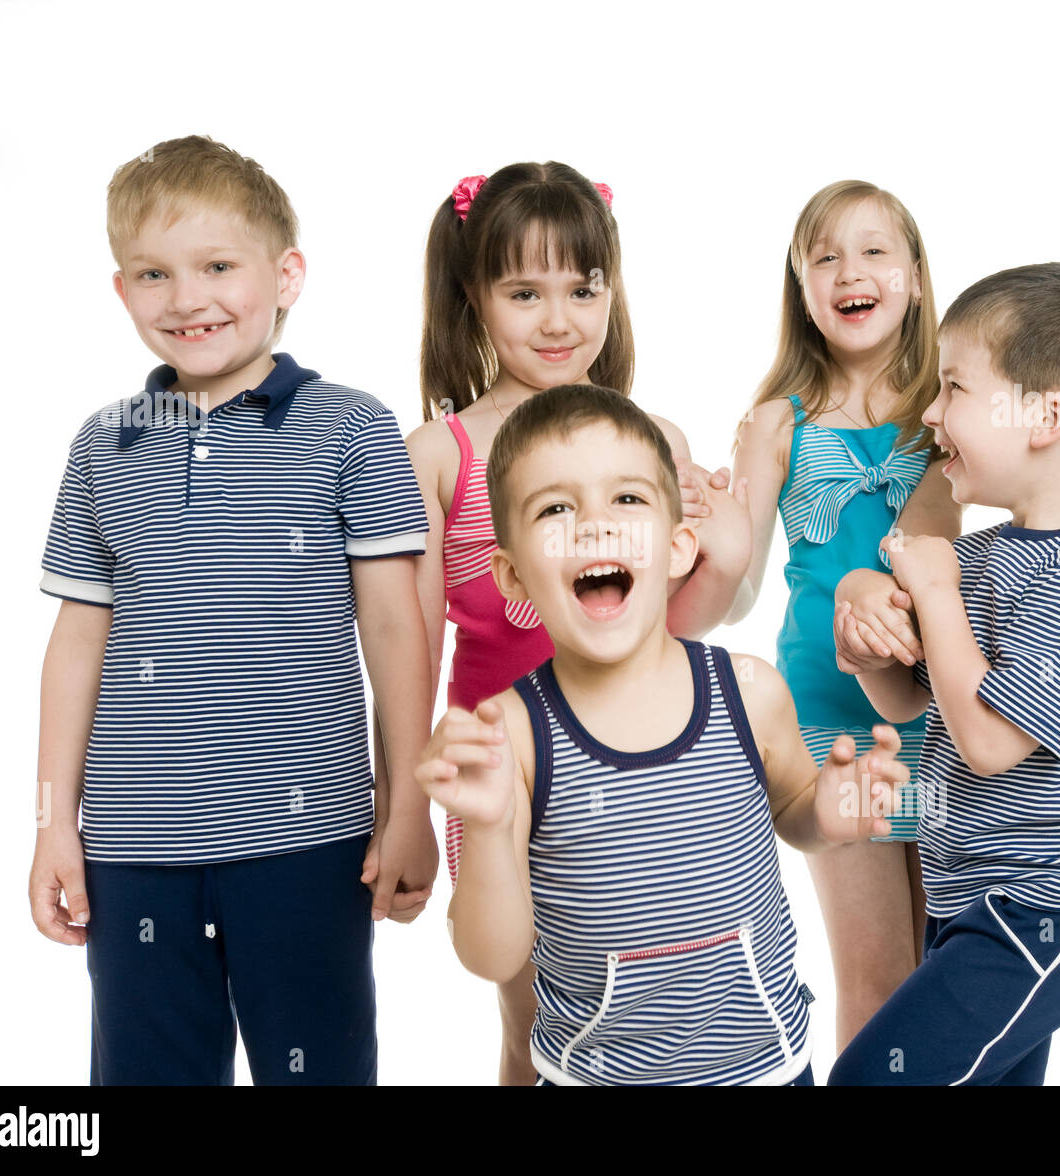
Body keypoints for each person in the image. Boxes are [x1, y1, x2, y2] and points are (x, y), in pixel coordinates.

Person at [29, 134, 436, 1084]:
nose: (186, 297)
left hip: (307, 841)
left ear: (286, 275)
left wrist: (406, 800)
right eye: (153, 273)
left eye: (218, 266)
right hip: (133, 847)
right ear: (121, 289)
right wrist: (54, 823)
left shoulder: (350, 426)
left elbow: (394, 632)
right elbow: (76, 641)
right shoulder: (105, 443)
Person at [418, 383, 909, 1085]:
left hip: (765, 1069)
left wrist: (830, 812)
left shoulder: (748, 690)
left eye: (626, 500)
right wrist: (488, 827)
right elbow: (492, 957)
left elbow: (797, 808)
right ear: (513, 575)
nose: (594, 526)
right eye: (556, 508)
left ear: (680, 545)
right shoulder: (513, 737)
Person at [398, 162, 746, 1084]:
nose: (559, 320)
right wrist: (407, 810)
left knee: (637, 1018)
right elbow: (408, 651)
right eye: (525, 291)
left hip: (645, 776)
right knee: (533, 1025)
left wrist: (735, 555)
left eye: (583, 289)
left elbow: (687, 623)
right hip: (509, 777)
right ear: (474, 296)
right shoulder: (440, 455)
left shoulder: (651, 441)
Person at [829, 262, 1060, 1085]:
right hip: (967, 899)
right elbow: (920, 700)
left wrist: (933, 589)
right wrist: (866, 652)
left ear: (1048, 417)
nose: (931, 412)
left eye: (954, 388)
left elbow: (985, 740)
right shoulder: (980, 558)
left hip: (1046, 910)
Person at [686, 181, 961, 1049]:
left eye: (876, 250)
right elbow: (735, 597)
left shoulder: (948, 411)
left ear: (914, 277)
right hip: (824, 721)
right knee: (877, 971)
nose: (852, 270)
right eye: (826, 255)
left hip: (940, 707)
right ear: (801, 287)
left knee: (947, 967)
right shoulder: (775, 423)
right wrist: (712, 535)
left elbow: (933, 557)